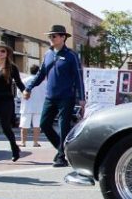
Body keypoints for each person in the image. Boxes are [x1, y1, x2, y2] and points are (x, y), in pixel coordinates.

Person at [23, 25, 85, 168]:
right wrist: (29, 88)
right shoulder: (48, 54)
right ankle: (62, 149)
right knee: (44, 124)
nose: (51, 38)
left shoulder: (71, 55)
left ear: (63, 37)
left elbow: (78, 77)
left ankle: (61, 157)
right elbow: (40, 74)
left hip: (66, 97)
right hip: (50, 97)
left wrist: (81, 98)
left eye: (54, 36)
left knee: (63, 127)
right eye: (50, 36)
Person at [0, 41, 26, 163]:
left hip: (5, 99)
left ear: (7, 53)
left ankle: (14, 148)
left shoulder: (12, 67)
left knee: (5, 127)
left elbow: (19, 82)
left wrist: (25, 91)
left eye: (2, 51)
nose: (0, 53)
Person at [19, 64, 46, 147]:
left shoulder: (24, 80)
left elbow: (19, 94)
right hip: (40, 105)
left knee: (24, 125)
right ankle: (35, 142)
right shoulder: (44, 82)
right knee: (37, 125)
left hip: (27, 105)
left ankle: (23, 142)